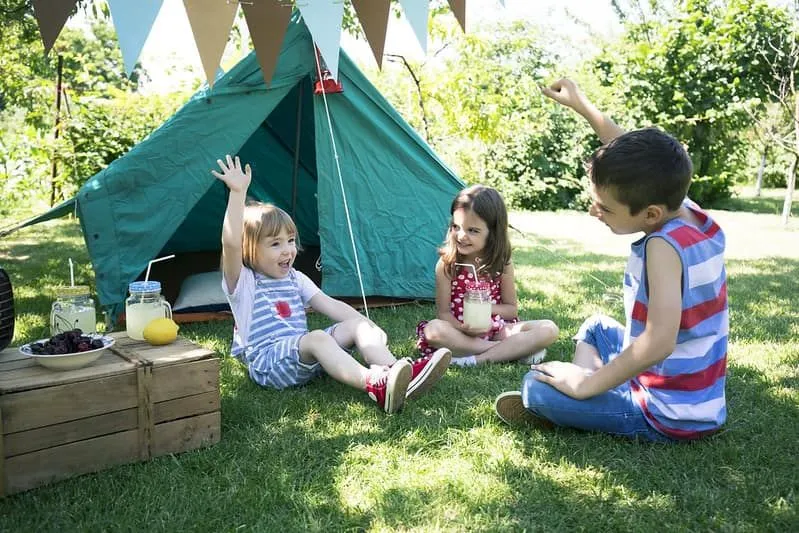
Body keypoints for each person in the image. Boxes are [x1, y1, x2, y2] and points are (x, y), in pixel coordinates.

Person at [494, 79, 729, 442]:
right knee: (595, 327)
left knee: (533, 389)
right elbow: (636, 160)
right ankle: (579, 393)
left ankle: (577, 399)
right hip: (690, 394)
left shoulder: (662, 247)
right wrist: (583, 107)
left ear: (650, 213)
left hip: (667, 412)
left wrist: (586, 385)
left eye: (605, 207)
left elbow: (658, 343)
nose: (594, 211)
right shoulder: (683, 208)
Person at [213, 155, 451, 414]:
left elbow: (331, 306)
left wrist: (368, 327)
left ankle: (397, 372)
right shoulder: (244, 283)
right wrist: (238, 194)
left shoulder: (295, 278)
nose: (288, 251)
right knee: (316, 338)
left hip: (302, 354)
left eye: (290, 240)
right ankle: (376, 385)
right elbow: (231, 244)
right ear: (250, 250)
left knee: (354, 324)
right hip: (269, 365)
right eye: (275, 244)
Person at [416, 184, 559, 366]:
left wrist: (484, 308)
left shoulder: (502, 263)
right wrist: (464, 328)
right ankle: (507, 350)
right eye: (456, 227)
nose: (461, 236)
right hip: (461, 332)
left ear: (493, 232)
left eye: (472, 230)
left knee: (549, 329)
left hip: (497, 328)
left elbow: (511, 309)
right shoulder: (447, 265)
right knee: (433, 330)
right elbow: (444, 313)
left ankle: (471, 360)